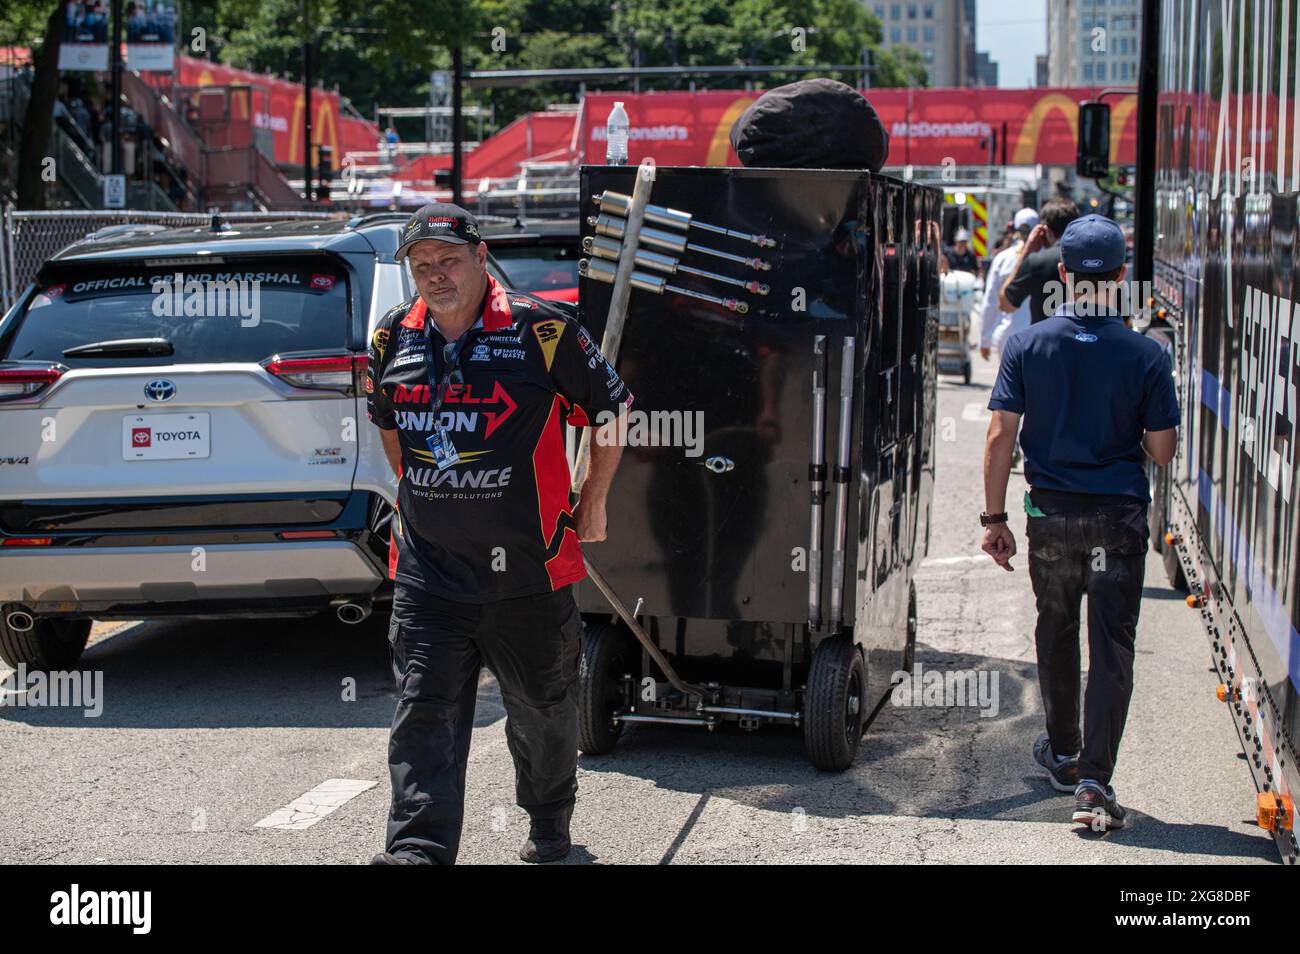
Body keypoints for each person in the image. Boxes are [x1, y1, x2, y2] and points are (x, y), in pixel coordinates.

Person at [366, 203, 632, 865]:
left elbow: (612, 410)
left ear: (481, 259)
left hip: (529, 574)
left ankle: (549, 834)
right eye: (421, 266)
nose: (435, 276)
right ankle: (417, 851)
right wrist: (432, 494)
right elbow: (390, 426)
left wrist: (593, 499)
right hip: (429, 578)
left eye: (448, 260)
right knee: (423, 716)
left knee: (545, 714)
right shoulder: (393, 336)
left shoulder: (541, 331)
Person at [980, 213, 1180, 832]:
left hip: (1052, 517)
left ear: (1064, 274)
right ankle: (1094, 781)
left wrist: (994, 518)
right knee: (1112, 644)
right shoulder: (1147, 354)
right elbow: (1163, 450)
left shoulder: (1027, 343)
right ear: (1122, 276)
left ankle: (1063, 751)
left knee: (1057, 626)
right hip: (1117, 518)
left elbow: (998, 436)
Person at [998, 197, 1080, 324]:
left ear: (1045, 230)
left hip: (1046, 342)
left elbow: (1005, 304)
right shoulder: (1095, 259)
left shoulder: (1037, 263)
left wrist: (1026, 252)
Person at [978, 207, 1038, 362]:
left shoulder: (1002, 259)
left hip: (1009, 337)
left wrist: (985, 339)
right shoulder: (1047, 258)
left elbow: (990, 301)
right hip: (1039, 337)